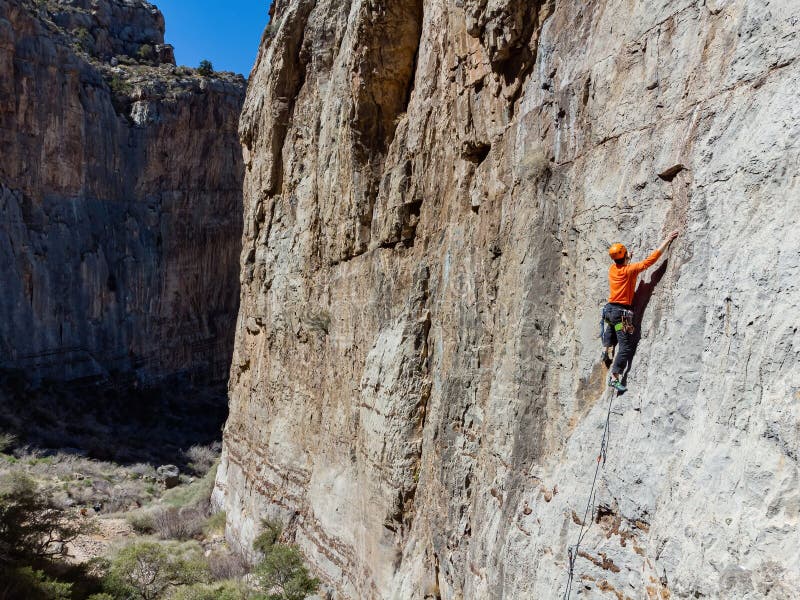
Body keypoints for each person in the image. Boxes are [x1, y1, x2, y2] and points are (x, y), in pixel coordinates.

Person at [602, 230, 679, 392]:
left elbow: (622, 264)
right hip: (620, 313)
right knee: (625, 346)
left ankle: (606, 349)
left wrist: (627, 258)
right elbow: (649, 261)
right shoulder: (630, 270)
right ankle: (615, 376)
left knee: (612, 329)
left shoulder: (612, 269)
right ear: (625, 257)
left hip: (609, 311)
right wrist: (666, 240)